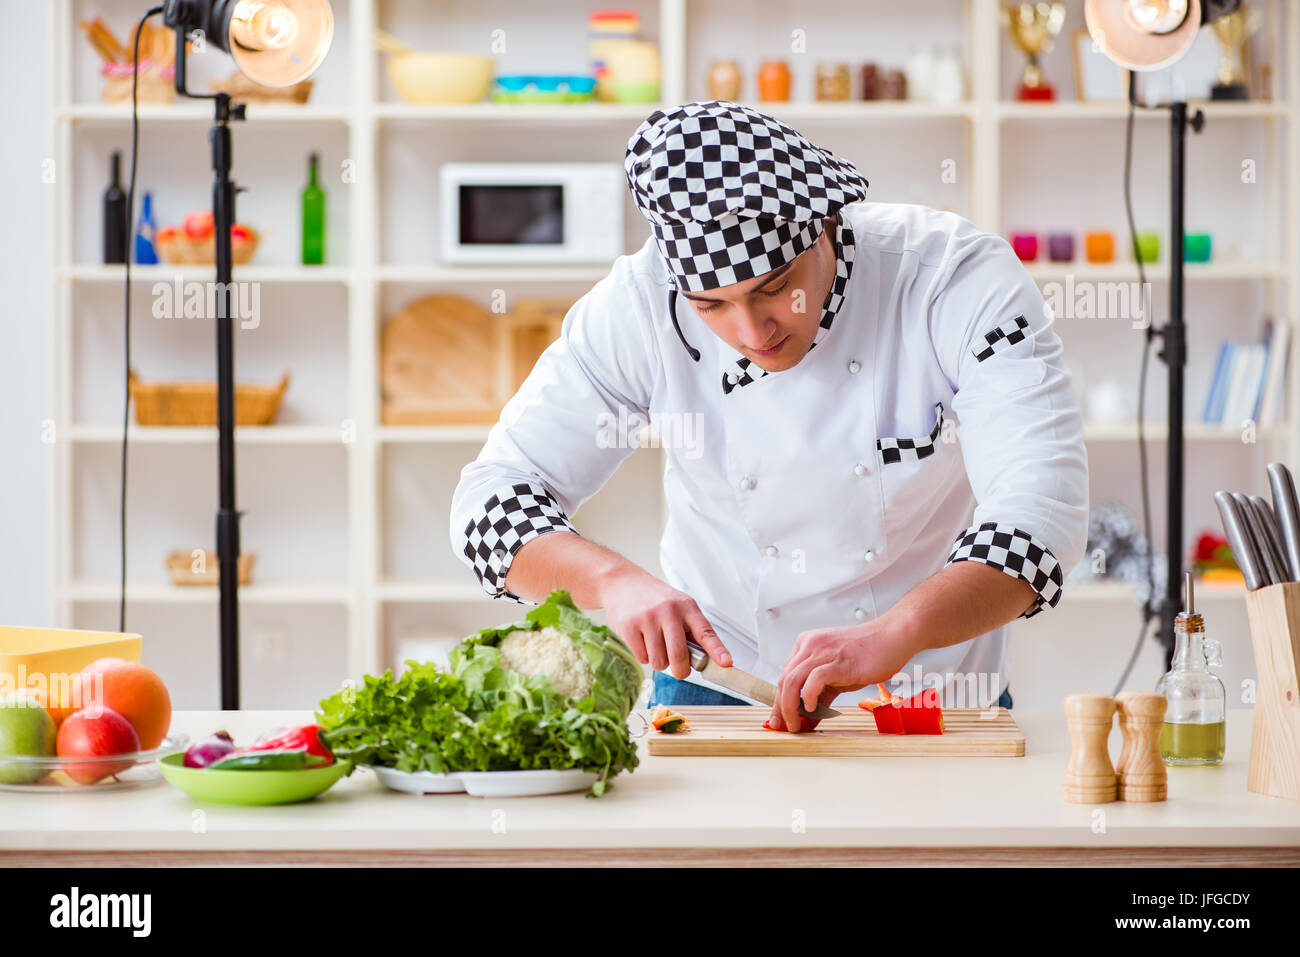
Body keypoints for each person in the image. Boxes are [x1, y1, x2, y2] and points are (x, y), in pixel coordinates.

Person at [450, 101, 1088, 731]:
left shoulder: (951, 279)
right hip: (719, 683)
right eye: (710, 306)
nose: (751, 331)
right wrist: (612, 583)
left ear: (825, 225)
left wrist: (900, 630)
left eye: (776, 288)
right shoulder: (635, 310)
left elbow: (1041, 513)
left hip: (934, 687)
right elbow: (489, 499)